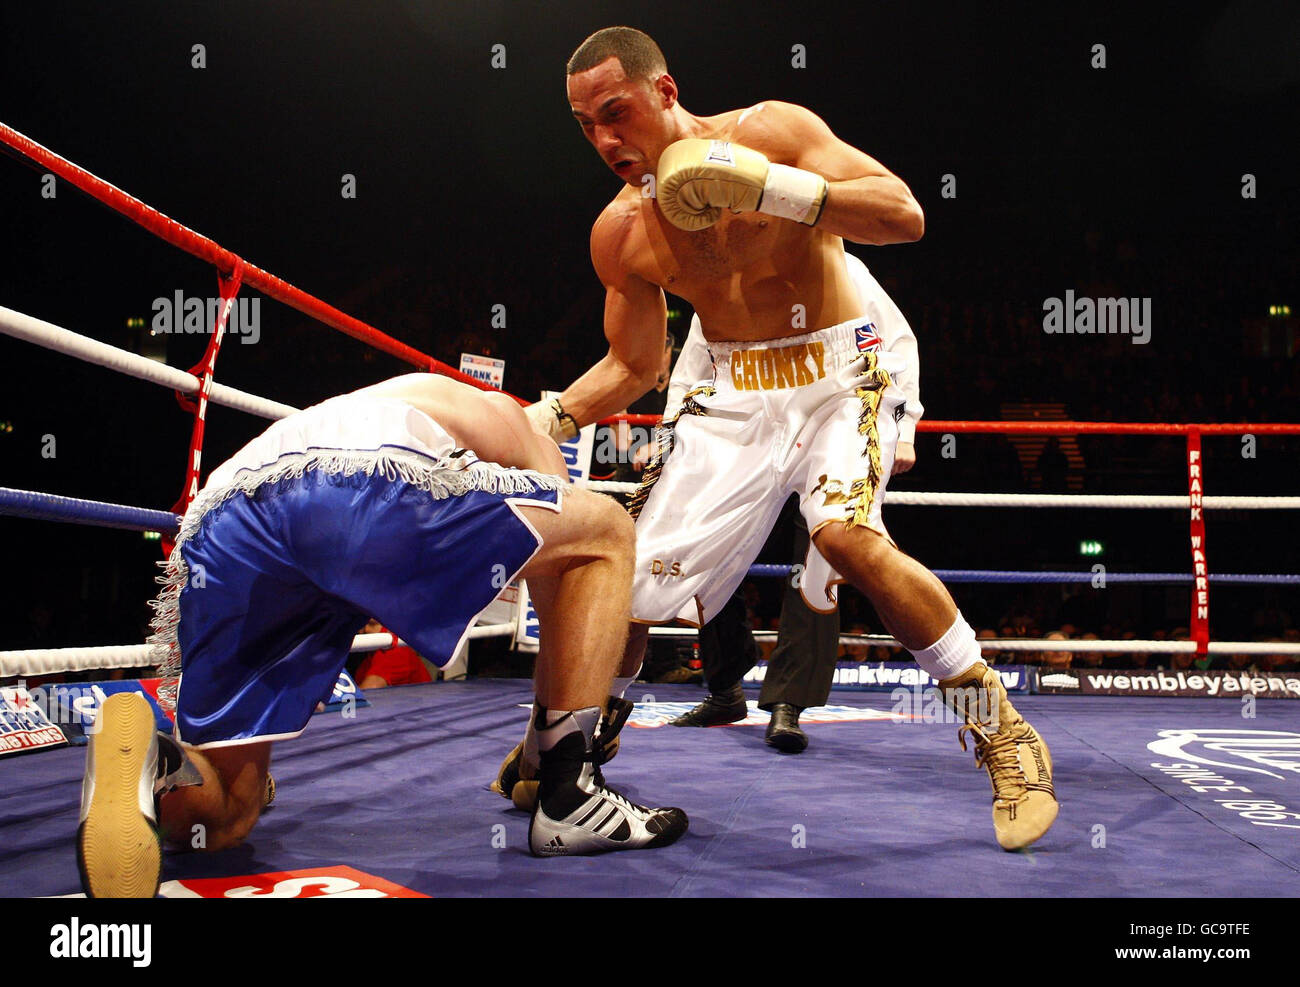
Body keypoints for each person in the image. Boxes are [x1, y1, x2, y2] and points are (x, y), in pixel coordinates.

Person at [512, 26, 1057, 851]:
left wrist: (776, 189)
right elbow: (633, 365)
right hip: (730, 389)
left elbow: (904, 215)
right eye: (585, 124)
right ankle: (574, 747)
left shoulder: (770, 131)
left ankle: (1002, 732)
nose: (605, 139)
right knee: (624, 585)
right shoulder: (620, 233)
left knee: (846, 536)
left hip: (843, 369)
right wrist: (545, 418)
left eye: (615, 113)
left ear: (665, 91)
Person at [75, 372, 688, 898]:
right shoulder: (508, 420)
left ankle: (156, 764)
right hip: (354, 482)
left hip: (222, 523)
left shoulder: (383, 399)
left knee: (227, 817)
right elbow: (564, 586)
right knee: (604, 532)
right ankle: (573, 798)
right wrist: (548, 748)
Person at [665, 250, 924, 753]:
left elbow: (893, 343)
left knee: (820, 557)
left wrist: (903, 424)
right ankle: (724, 688)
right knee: (706, 546)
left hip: (831, 425)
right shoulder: (722, 275)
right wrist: (673, 431)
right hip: (744, 430)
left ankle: (789, 702)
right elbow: (695, 362)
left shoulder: (840, 268)